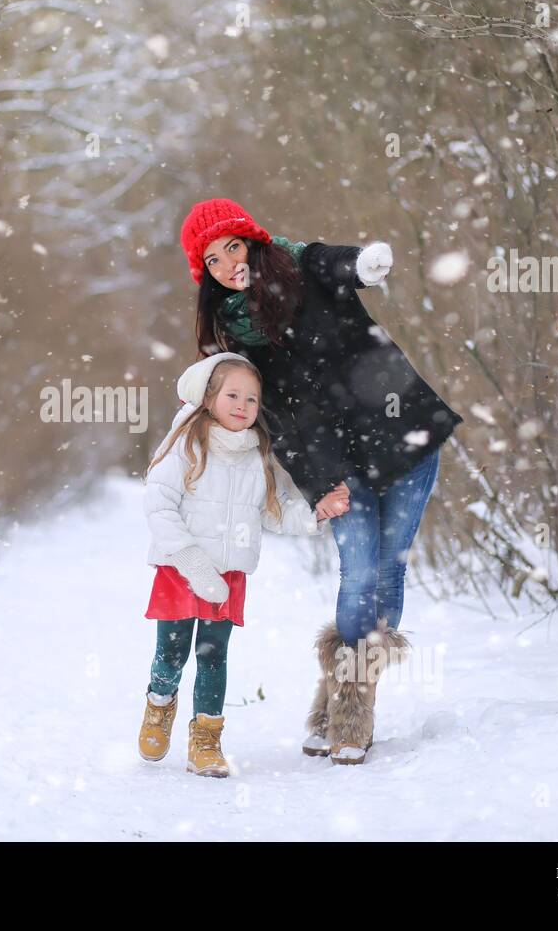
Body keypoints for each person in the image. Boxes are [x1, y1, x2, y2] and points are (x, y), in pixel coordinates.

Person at [178, 197, 465, 764]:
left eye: (232, 246)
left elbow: (335, 262)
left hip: (405, 436)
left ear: (253, 242)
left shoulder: (303, 268)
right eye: (211, 259)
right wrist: (316, 486)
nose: (226, 263)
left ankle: (340, 703)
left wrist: (364, 264)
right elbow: (277, 422)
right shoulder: (239, 344)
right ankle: (350, 713)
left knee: (389, 574)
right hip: (340, 468)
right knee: (359, 574)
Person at [138, 351, 346, 777]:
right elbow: (159, 507)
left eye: (252, 399)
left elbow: (273, 511)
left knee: (213, 657)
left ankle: (206, 741)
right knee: (173, 653)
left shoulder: (258, 454)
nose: (243, 405)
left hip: (228, 574)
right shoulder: (186, 445)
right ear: (208, 398)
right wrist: (192, 562)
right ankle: (159, 705)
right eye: (233, 394)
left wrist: (316, 514)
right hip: (181, 570)